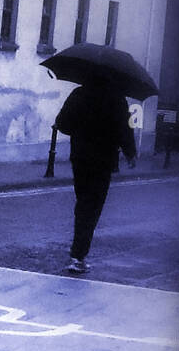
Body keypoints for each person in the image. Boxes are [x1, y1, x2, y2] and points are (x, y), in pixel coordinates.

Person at [53, 74, 137, 274]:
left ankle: (77, 253)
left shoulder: (79, 94)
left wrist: (80, 128)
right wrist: (130, 153)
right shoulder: (117, 98)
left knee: (82, 202)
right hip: (104, 160)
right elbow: (125, 129)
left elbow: (62, 123)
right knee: (94, 205)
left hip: (80, 157)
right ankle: (79, 254)